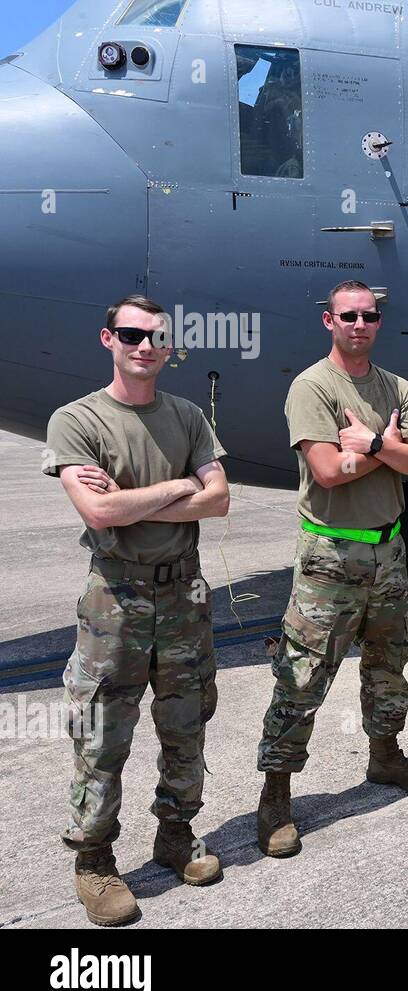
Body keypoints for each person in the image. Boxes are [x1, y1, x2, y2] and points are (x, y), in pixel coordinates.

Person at [44, 295, 230, 925]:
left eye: (156, 336)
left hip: (184, 596)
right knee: (102, 734)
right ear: (108, 338)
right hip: (114, 600)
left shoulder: (187, 416)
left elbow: (219, 499)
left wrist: (140, 497)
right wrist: (182, 486)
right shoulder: (76, 420)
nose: (145, 345)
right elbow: (98, 513)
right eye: (131, 334)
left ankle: (176, 834)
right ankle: (94, 860)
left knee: (187, 724)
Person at [256, 280, 408, 858]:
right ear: (328, 321)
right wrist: (387, 448)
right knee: (302, 675)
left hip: (388, 551)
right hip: (330, 556)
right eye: (348, 316)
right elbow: (329, 470)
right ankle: (277, 795)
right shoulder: (312, 386)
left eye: (369, 316)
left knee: (390, 664)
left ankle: (385, 757)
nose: (360, 324)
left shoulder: (397, 387)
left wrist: (372, 446)